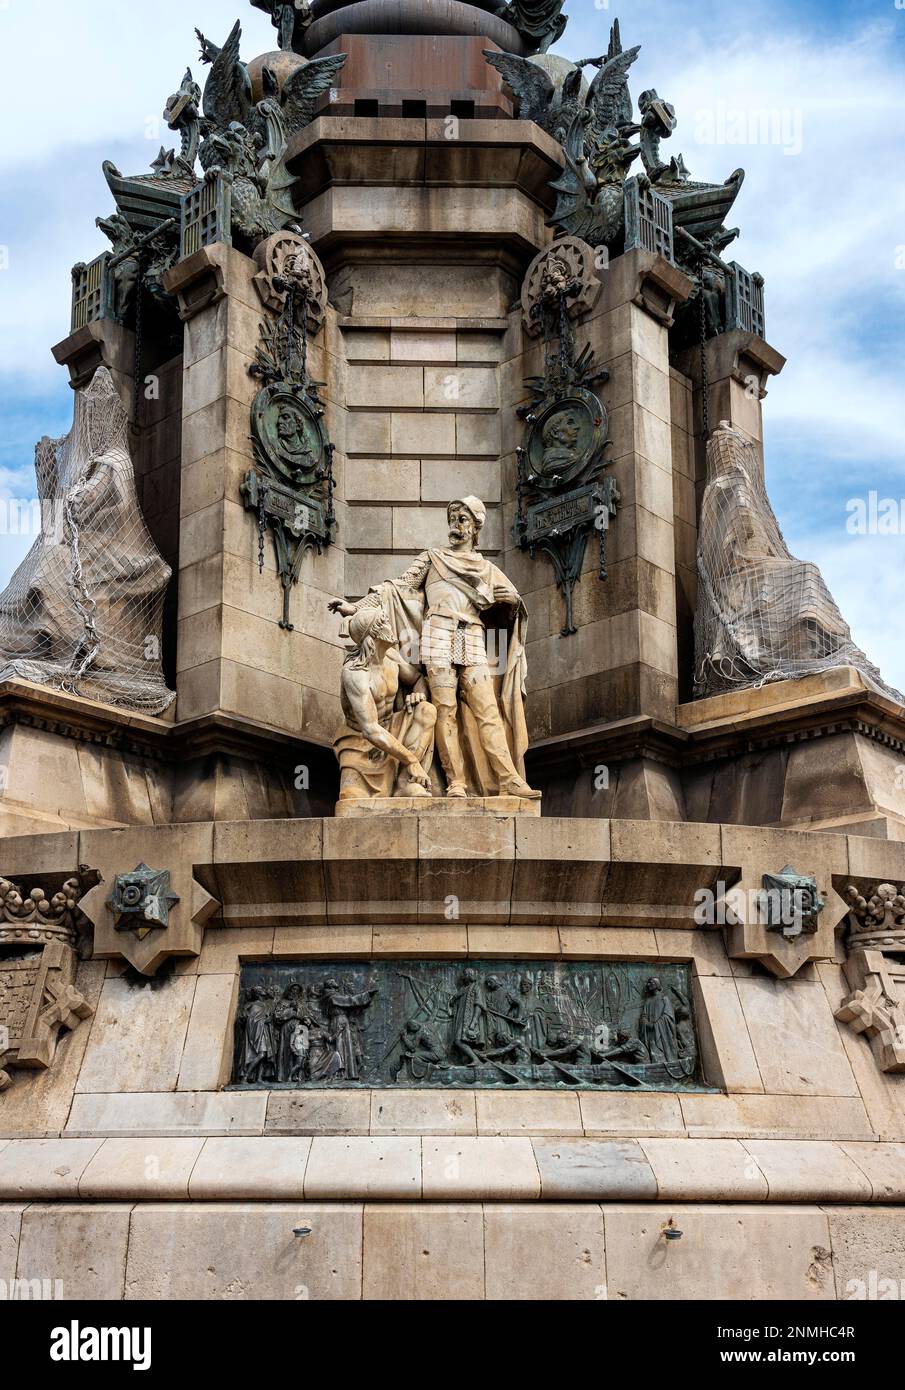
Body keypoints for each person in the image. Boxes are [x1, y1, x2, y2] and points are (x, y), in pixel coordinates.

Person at [333, 497, 540, 800]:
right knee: (445, 711)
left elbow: (511, 613)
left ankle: (509, 780)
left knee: (488, 710)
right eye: (453, 518)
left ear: (476, 526)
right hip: (437, 635)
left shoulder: (488, 569)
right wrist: (355, 608)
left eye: (463, 520)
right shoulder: (432, 558)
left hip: (472, 635)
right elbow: (397, 587)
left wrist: (510, 601)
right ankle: (457, 782)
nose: (455, 526)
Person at [330, 595, 436, 803]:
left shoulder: (392, 656)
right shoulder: (355, 673)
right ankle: (405, 770)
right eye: (385, 623)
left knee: (426, 710)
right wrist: (411, 759)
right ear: (376, 634)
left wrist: (418, 693)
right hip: (359, 742)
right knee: (352, 801)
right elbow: (370, 729)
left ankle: (406, 783)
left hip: (391, 729)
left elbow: (417, 678)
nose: (390, 625)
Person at [639, 977, 678, 1063]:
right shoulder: (648, 1001)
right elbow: (644, 1016)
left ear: (657, 985)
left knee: (661, 1054)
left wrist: (655, 1025)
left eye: (651, 982)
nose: (648, 984)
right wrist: (645, 1022)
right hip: (650, 1034)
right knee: (653, 1054)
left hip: (661, 1033)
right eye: (648, 983)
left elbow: (668, 1016)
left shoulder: (664, 998)